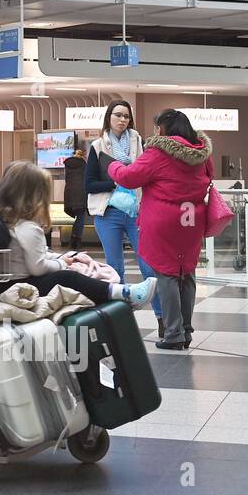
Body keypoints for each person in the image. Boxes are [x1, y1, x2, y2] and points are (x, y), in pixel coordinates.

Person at [106, 110, 214, 350]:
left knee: (166, 276)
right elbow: (209, 178)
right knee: (187, 273)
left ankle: (173, 334)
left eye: (157, 127)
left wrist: (112, 166)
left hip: (164, 222)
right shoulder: (202, 154)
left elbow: (128, 177)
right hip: (192, 220)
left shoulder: (158, 153)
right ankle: (185, 330)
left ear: (163, 130)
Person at [0, 162, 155, 307]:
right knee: (69, 278)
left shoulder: (7, 223)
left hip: (3, 285)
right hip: (22, 284)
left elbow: (33, 256)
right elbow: (38, 267)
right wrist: (62, 264)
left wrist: (60, 258)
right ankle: (122, 293)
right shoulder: (29, 228)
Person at [84, 101, 163, 330]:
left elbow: (150, 175)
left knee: (149, 266)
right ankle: (121, 322)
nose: (122, 120)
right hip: (108, 212)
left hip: (136, 211)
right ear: (109, 117)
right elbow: (89, 184)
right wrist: (117, 180)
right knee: (115, 268)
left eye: (126, 116)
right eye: (118, 115)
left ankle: (162, 319)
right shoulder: (98, 146)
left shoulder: (139, 143)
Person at [63, 147, 88, 252]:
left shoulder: (67, 165)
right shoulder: (84, 165)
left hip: (69, 193)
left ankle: (73, 240)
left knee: (78, 217)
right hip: (81, 193)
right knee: (81, 217)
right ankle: (76, 240)